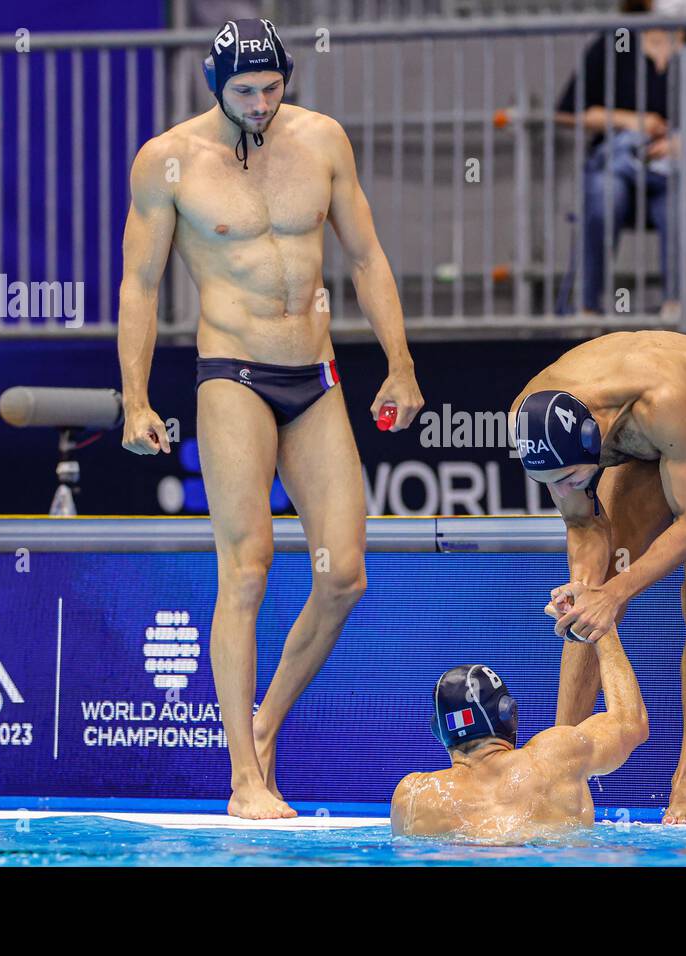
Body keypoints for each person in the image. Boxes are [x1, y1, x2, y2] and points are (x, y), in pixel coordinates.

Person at [117, 18, 424, 819]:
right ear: (215, 86)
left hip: (315, 377)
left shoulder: (322, 141)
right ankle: (246, 781)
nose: (259, 103)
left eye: (271, 87)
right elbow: (141, 286)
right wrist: (137, 398)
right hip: (232, 374)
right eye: (243, 91)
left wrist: (400, 364)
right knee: (247, 568)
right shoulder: (169, 161)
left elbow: (365, 256)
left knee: (344, 576)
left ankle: (263, 724)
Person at [510, 330, 686, 823]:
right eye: (553, 484)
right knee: (591, 593)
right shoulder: (530, 415)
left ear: (598, 437)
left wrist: (613, 593)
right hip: (654, 446)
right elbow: (582, 521)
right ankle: (555, 774)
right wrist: (586, 590)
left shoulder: (660, 401)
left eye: (571, 478)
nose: (564, 490)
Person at [390, 629, 648, 842]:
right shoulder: (557, 756)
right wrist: (602, 628)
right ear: (508, 714)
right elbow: (630, 722)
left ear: (439, 732)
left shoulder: (413, 796)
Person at [555, 0, 686, 319]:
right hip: (618, 166)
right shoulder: (617, 40)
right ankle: (587, 309)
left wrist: (684, 139)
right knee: (606, 194)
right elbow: (570, 111)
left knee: (679, 205)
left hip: (674, 171)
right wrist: (631, 122)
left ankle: (679, 310)